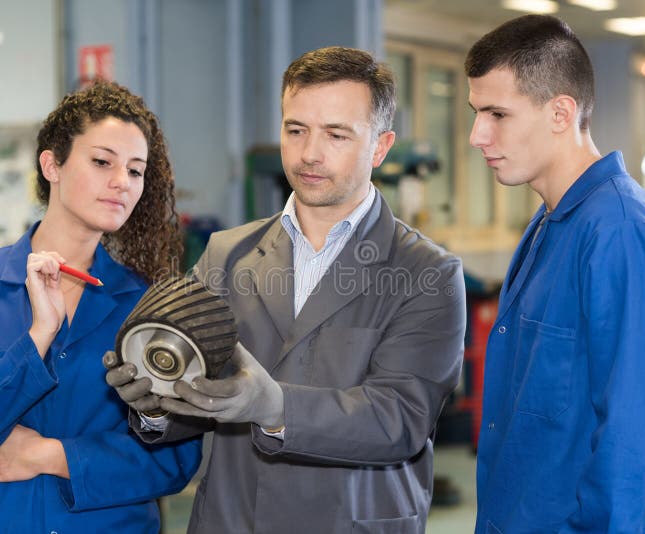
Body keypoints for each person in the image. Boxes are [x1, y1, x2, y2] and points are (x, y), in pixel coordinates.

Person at [105, 46, 466, 533]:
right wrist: (154, 402)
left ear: (380, 147)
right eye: (295, 130)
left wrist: (275, 405)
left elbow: (398, 419)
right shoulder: (225, 255)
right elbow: (202, 395)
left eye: (336, 134)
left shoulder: (427, 273)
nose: (309, 153)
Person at [0, 81, 202, 533]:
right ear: (52, 164)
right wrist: (37, 337)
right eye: (101, 161)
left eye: (135, 170)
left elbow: (174, 460)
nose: (120, 183)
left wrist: (52, 456)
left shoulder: (150, 305)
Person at [465, 15, 645, 532]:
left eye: (497, 113)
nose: (478, 135)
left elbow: (642, 437)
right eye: (476, 112)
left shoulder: (618, 231)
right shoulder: (550, 223)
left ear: (560, 112)